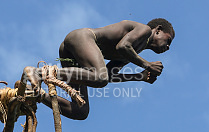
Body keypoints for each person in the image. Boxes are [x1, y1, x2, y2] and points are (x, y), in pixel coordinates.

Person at [24, 18, 175, 120]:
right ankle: (38, 73)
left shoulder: (135, 52)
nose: (168, 47)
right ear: (158, 30)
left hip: (76, 58)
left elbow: (108, 76)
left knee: (81, 111)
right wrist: (147, 64)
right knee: (99, 77)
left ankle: (36, 94)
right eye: (168, 40)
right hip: (82, 38)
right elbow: (122, 46)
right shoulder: (144, 30)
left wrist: (139, 76)